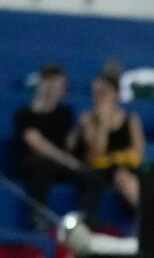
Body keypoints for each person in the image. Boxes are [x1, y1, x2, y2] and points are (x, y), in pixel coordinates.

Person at [10, 65, 79, 225]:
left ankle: (86, 219)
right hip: (33, 164)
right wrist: (67, 160)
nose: (52, 89)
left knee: (91, 175)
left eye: (57, 85)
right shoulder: (24, 114)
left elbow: (71, 144)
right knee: (44, 165)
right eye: (49, 84)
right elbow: (36, 143)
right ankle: (37, 215)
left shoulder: (65, 114)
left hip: (60, 165)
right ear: (40, 84)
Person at [74, 73, 145, 220]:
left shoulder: (131, 120)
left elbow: (138, 152)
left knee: (129, 177)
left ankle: (147, 217)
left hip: (126, 166)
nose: (99, 97)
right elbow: (96, 153)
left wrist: (119, 158)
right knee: (119, 177)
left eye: (104, 92)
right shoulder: (88, 119)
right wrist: (103, 124)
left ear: (116, 94)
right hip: (99, 168)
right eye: (96, 93)